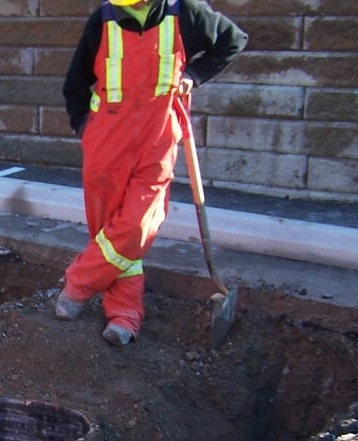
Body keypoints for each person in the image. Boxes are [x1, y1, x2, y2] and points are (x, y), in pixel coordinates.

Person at [57, 0, 247, 346]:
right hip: (106, 144)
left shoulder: (186, 13)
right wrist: (87, 130)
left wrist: (194, 75)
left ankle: (78, 283)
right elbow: (75, 85)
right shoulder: (102, 20)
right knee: (109, 233)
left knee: (137, 226)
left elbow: (232, 40)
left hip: (156, 142)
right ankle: (124, 315)